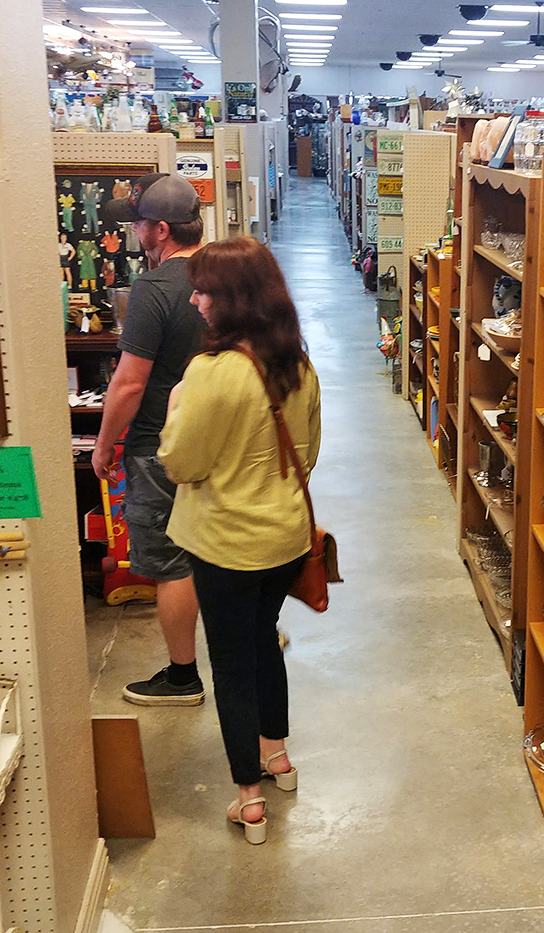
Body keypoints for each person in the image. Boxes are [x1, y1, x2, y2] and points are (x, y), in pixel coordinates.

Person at [157, 236, 321, 844]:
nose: (195, 300)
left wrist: (176, 405)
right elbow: (309, 451)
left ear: (234, 301)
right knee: (262, 644)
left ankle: (248, 798)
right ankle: (277, 757)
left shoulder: (211, 373)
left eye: (205, 291)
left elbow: (181, 462)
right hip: (285, 539)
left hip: (225, 544)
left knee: (230, 664)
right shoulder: (297, 365)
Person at [92, 173, 206, 707]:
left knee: (169, 561)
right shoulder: (225, 277)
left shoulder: (153, 290)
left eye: (137, 223)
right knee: (216, 548)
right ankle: (251, 636)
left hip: (160, 444)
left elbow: (130, 382)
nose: (134, 232)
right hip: (219, 439)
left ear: (161, 229)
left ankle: (182, 676)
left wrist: (103, 444)